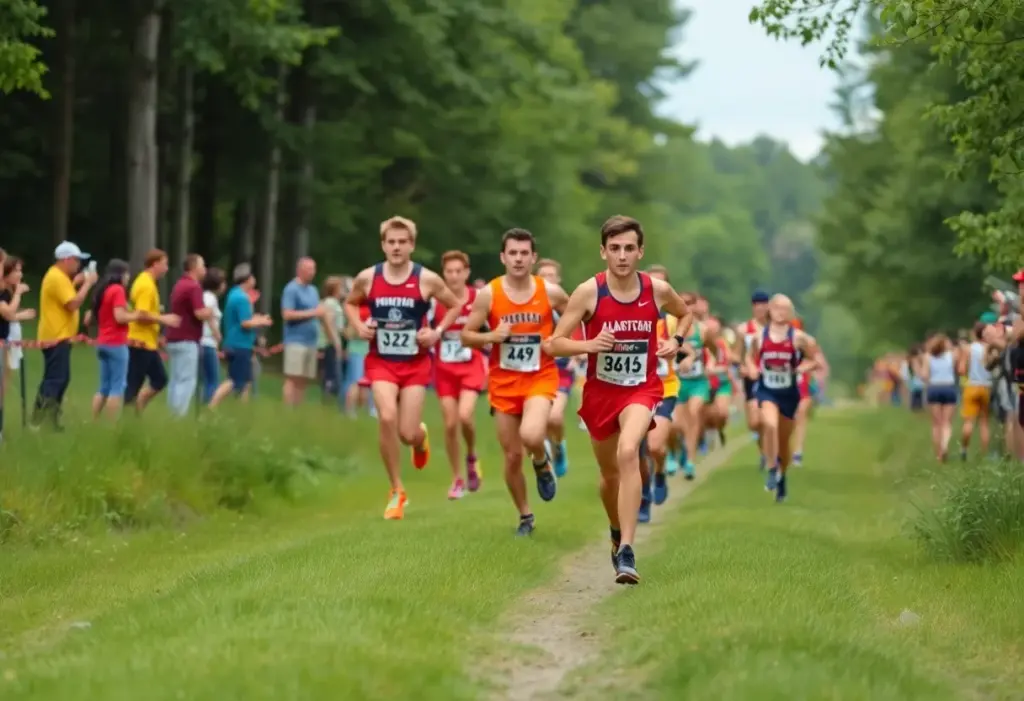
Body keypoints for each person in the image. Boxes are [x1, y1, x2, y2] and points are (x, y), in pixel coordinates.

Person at [545, 215, 691, 584]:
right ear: (603, 252)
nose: (622, 256)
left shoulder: (657, 290)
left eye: (629, 248)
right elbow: (553, 344)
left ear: (640, 251)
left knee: (629, 452)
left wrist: (676, 341)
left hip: (642, 388)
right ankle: (615, 530)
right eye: (615, 249)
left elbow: (684, 313)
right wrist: (589, 345)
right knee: (610, 476)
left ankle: (627, 549)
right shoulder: (588, 292)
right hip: (601, 393)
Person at [344, 216, 464, 520]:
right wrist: (359, 326)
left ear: (411, 245)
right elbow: (350, 302)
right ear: (383, 245)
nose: (396, 247)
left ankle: (419, 438)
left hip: (415, 364)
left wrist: (436, 332)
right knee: (386, 416)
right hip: (381, 361)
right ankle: (397, 490)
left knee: (407, 433)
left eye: (402, 242)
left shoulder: (427, 279)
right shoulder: (368, 277)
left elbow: (455, 305)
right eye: (391, 242)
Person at [461, 228, 568, 536]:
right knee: (511, 456)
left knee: (532, 435)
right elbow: (466, 335)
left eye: (524, 253)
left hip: (540, 377)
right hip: (503, 383)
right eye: (513, 253)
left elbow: (578, 315)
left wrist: (562, 341)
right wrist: (491, 336)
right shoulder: (489, 294)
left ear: (533, 258)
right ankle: (525, 516)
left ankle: (542, 462)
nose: (518, 259)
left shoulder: (550, 292)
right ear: (503, 257)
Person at [744, 294, 820, 502]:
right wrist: (752, 369)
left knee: (784, 442)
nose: (780, 312)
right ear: (770, 310)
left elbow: (814, 360)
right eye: (776, 307)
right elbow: (750, 358)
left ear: (791, 312)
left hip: (789, 393)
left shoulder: (799, 338)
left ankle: (782, 476)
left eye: (785, 308)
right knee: (769, 424)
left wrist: (802, 368)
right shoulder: (759, 337)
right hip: (767, 390)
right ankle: (771, 469)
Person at [433, 250, 486, 498]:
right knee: (450, 424)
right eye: (449, 271)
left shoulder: (478, 298)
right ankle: (457, 478)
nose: (454, 276)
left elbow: (493, 325)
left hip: (470, 366)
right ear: (443, 274)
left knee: (465, 416)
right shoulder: (435, 301)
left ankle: (472, 456)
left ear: (467, 273)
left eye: (458, 271)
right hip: (444, 369)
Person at [31, 241, 97, 430]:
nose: (79, 264)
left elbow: (65, 295)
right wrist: (88, 284)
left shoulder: (60, 277)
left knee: (60, 378)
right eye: (77, 260)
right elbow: (72, 304)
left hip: (61, 336)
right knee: (55, 379)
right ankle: (40, 420)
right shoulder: (57, 277)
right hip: (56, 336)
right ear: (66, 259)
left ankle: (50, 419)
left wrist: (76, 283)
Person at [642, 264, 681, 513]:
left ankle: (660, 472)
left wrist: (679, 351)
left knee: (655, 447)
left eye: (661, 285)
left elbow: (691, 349)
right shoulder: (628, 318)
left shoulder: (672, 322)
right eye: (651, 284)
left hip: (665, 389)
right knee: (636, 450)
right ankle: (643, 498)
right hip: (634, 391)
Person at [90, 259, 150, 420]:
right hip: (116, 343)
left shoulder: (104, 290)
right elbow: (120, 317)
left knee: (104, 387)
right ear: (121, 274)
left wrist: (132, 311)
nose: (128, 278)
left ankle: (93, 422)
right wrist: (137, 316)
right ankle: (112, 425)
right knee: (117, 387)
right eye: (127, 274)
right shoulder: (118, 290)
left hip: (102, 342)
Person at [209, 264, 273, 406]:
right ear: (247, 279)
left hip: (235, 343)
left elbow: (241, 319)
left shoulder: (233, 294)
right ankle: (212, 405)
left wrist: (256, 319)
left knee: (247, 380)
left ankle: (242, 409)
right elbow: (245, 323)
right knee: (234, 380)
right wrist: (262, 321)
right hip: (240, 344)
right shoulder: (242, 298)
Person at [536, 257, 574, 478]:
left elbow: (580, 328)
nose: (548, 280)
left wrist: (577, 353)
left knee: (554, 417)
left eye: (551, 276)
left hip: (561, 369)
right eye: (543, 276)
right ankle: (545, 452)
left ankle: (558, 446)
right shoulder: (530, 304)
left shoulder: (566, 304)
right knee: (538, 421)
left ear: (558, 279)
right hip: (536, 370)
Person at [126, 249, 175, 413]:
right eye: (165, 264)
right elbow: (141, 314)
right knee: (133, 383)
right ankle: (127, 416)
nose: (166, 268)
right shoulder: (146, 285)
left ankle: (136, 411)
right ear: (155, 264)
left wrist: (157, 335)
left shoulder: (147, 282)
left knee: (159, 379)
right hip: (140, 342)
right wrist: (163, 319)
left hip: (149, 341)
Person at [163, 254, 212, 416]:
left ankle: (172, 413)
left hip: (173, 338)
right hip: (187, 339)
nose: (205, 269)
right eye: (202, 266)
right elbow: (199, 313)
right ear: (194, 268)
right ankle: (179, 416)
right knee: (187, 380)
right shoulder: (194, 287)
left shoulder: (179, 284)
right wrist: (209, 312)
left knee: (176, 379)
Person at [0, 256, 37, 439]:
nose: (20, 274)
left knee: (3, 388)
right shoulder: (3, 292)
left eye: (21, 270)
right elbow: (8, 313)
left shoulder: (7, 291)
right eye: (16, 270)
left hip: (4, 342)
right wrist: (18, 294)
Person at [281, 257, 324, 406]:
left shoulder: (313, 290)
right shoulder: (291, 289)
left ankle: (297, 409)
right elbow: (287, 314)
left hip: (310, 340)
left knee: (303, 378)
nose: (312, 272)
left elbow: (318, 312)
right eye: (309, 269)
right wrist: (313, 313)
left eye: (314, 269)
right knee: (292, 376)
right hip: (295, 339)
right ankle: (287, 409)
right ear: (300, 270)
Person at [738, 290, 770, 468]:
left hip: (771, 377)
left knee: (767, 418)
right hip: (752, 378)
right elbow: (736, 355)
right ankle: (764, 451)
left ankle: (769, 453)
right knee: (754, 422)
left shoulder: (776, 327)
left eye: (764, 304)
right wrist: (742, 367)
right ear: (753, 307)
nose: (761, 308)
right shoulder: (744, 330)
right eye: (757, 305)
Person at [958, 323, 993, 459]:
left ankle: (964, 449)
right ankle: (985, 454)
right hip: (986, 386)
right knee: (984, 422)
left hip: (972, 386)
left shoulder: (969, 348)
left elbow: (961, 369)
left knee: (969, 421)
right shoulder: (989, 348)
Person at [199, 268, 226, 405]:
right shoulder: (210, 297)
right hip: (208, 342)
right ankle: (208, 406)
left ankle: (202, 405)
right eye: (223, 282)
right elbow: (208, 314)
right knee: (212, 379)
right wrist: (217, 333)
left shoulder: (203, 295)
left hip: (202, 342)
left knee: (204, 379)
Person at [318, 276, 345, 402]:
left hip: (332, 341)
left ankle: (329, 398)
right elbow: (328, 323)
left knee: (332, 372)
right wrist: (335, 342)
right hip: (329, 343)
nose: (343, 290)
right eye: (341, 287)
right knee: (331, 373)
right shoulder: (330, 303)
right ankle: (327, 398)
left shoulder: (334, 303)